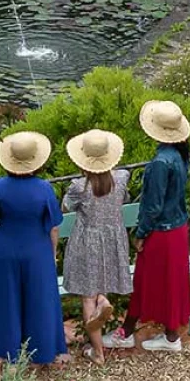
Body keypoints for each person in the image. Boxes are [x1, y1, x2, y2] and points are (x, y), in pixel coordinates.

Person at [103, 100, 190, 353]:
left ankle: (128, 332)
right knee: (172, 282)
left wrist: (141, 233)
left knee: (144, 281)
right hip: (177, 230)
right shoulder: (179, 155)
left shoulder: (160, 163)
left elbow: (152, 205)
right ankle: (171, 335)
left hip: (161, 232)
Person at [0, 131, 67, 366]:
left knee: (6, 299)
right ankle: (41, 353)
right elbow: (53, 227)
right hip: (36, 249)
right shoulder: (44, 189)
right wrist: (52, 254)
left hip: (6, 248)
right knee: (39, 299)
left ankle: (7, 351)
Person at [62, 129, 132, 364]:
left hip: (87, 242)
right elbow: (125, 199)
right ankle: (103, 299)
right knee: (100, 282)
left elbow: (66, 208)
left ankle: (98, 352)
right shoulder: (121, 178)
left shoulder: (79, 186)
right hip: (113, 241)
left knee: (86, 298)